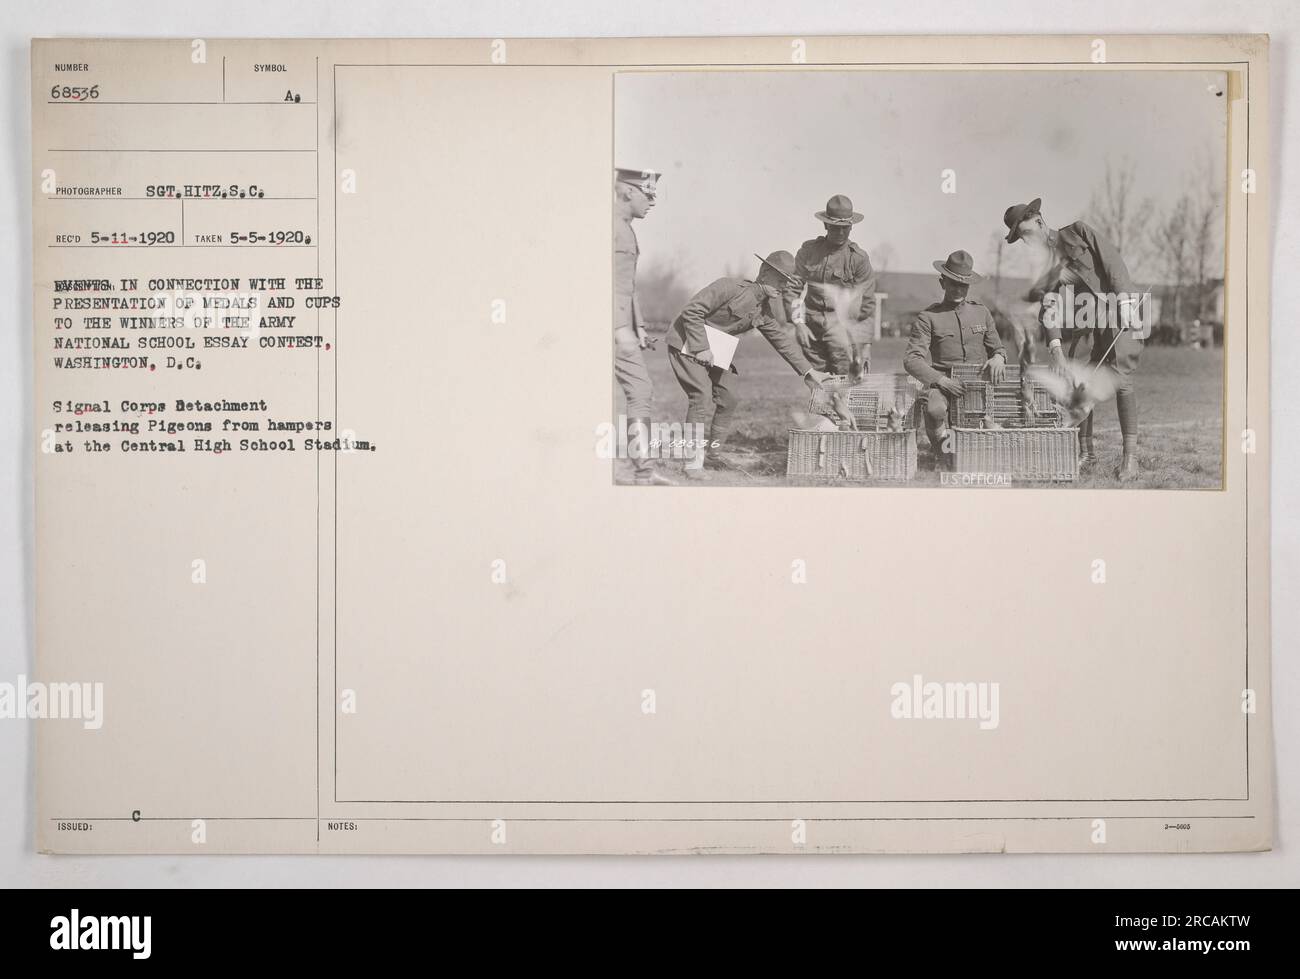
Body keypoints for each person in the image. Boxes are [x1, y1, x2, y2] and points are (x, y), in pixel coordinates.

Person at [1004, 197, 1145, 479]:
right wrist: (1055, 347)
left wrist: (1127, 303)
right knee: (1077, 381)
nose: (1027, 242)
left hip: (1119, 315)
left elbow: (1113, 262)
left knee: (1122, 381)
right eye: (1021, 238)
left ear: (1040, 222)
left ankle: (1131, 459)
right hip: (1086, 324)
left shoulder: (1078, 232)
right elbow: (1048, 304)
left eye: (1027, 233)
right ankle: (1086, 454)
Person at [668, 251, 829, 479]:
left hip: (715, 348)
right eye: (780, 278)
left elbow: (782, 342)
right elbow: (692, 311)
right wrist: (701, 347)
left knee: (729, 397)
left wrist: (810, 372)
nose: (783, 286)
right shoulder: (728, 287)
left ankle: (712, 456)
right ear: (764, 273)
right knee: (700, 397)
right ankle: (692, 464)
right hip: (686, 340)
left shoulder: (763, 311)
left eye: (788, 281)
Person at [903, 250, 1007, 470]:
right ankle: (942, 452)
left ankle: (970, 449)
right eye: (953, 284)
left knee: (984, 443)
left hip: (977, 387)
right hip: (943, 385)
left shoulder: (982, 313)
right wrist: (940, 381)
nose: (958, 290)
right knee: (934, 409)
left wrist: (999, 357)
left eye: (963, 285)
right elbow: (912, 359)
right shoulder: (928, 317)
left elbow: (997, 347)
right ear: (943, 283)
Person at [613, 166, 673, 485]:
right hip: (610, 327)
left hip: (619, 326)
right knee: (640, 390)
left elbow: (626, 284)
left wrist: (637, 326)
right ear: (627, 191)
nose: (652, 202)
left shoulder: (624, 227)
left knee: (639, 389)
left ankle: (643, 470)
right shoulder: (611, 226)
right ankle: (643, 472)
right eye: (647, 195)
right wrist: (619, 327)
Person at [786, 194, 877, 376]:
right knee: (817, 382)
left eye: (845, 228)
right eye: (836, 228)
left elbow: (867, 304)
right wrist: (798, 323)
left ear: (851, 226)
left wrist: (865, 346)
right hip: (811, 328)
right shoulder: (808, 251)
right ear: (826, 224)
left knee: (845, 382)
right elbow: (792, 289)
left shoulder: (858, 259)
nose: (841, 233)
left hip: (842, 329)